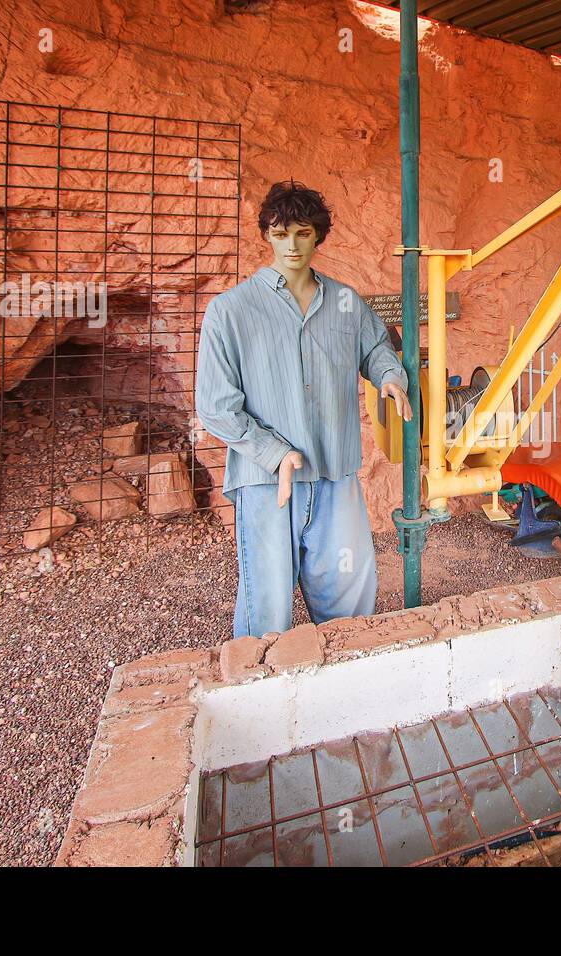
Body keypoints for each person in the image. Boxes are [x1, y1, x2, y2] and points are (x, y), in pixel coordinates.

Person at [195, 181, 412, 637]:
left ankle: (345, 688)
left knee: (349, 597)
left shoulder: (346, 301)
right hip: (268, 482)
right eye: (280, 233)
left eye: (303, 232)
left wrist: (391, 378)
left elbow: (375, 347)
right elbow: (215, 406)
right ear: (266, 236)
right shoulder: (229, 311)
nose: (291, 245)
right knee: (266, 609)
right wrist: (275, 452)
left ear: (319, 236)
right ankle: (258, 695)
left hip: (335, 469)